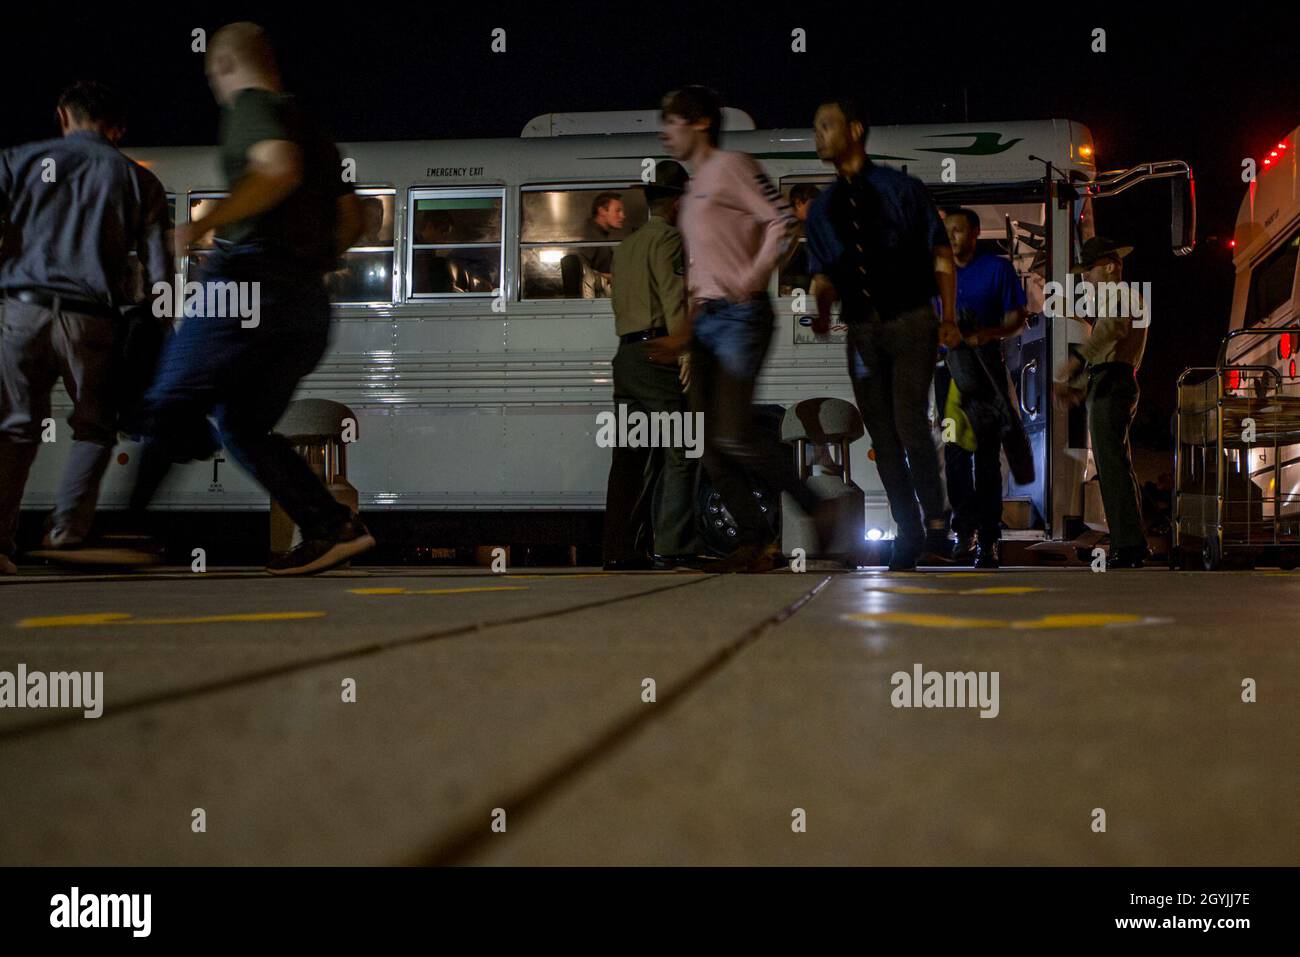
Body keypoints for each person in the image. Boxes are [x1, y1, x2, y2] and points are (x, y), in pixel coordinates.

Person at [109, 21, 374, 575]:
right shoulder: (313, 127)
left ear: (225, 65)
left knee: (173, 390)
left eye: (211, 75)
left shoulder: (251, 106)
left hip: (244, 282)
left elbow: (276, 168)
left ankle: (123, 532)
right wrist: (309, 263)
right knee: (242, 425)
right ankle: (332, 526)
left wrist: (200, 229)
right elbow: (358, 216)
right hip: (306, 307)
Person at [656, 85, 831, 573]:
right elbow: (700, 269)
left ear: (700, 123)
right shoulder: (694, 189)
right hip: (707, 322)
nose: (664, 133)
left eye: (671, 122)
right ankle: (755, 542)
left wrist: (751, 279)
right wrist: (684, 333)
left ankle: (815, 503)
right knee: (709, 445)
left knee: (732, 434)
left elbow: (780, 222)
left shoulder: (733, 167)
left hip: (741, 316)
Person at [0, 81, 172, 575]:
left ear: (62, 116)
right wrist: (159, 330)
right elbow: (161, 272)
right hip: (91, 318)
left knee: (14, 429)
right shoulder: (138, 181)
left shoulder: (19, 161)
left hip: (22, 311)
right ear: (117, 128)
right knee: (94, 427)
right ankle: (66, 533)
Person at [804, 98, 959, 570]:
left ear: (854, 129)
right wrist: (823, 312)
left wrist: (947, 315)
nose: (818, 136)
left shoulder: (900, 188)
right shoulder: (822, 209)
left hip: (912, 319)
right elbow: (824, 275)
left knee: (910, 423)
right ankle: (907, 531)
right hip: (863, 330)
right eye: (814, 128)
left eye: (826, 126)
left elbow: (939, 254)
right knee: (883, 436)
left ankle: (937, 523)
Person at [601, 161, 702, 569]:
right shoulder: (670, 240)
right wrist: (684, 350)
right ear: (678, 203)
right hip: (656, 355)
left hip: (625, 356)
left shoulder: (625, 247)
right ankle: (676, 546)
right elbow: (673, 296)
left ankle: (620, 551)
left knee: (628, 458)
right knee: (682, 449)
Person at [936, 207, 1026, 567]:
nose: (952, 236)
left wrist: (990, 333)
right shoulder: (937, 273)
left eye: (958, 230)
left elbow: (1017, 318)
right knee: (956, 457)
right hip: (949, 374)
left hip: (986, 369)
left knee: (987, 459)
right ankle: (964, 532)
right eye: (947, 231)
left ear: (975, 233)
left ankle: (989, 538)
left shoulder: (997, 269)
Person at [1052, 236, 1148, 568]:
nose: (1086, 278)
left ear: (1109, 266)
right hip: (1113, 378)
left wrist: (1076, 364)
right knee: (1114, 464)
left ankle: (1129, 545)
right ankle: (1130, 541)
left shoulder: (1120, 295)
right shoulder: (1122, 297)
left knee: (1112, 466)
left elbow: (1111, 332)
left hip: (1112, 380)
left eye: (1089, 270)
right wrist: (1080, 384)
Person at [582, 191, 625, 296]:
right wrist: (612, 277)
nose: (623, 216)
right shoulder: (591, 237)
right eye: (618, 211)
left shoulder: (599, 236)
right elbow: (582, 273)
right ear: (602, 211)